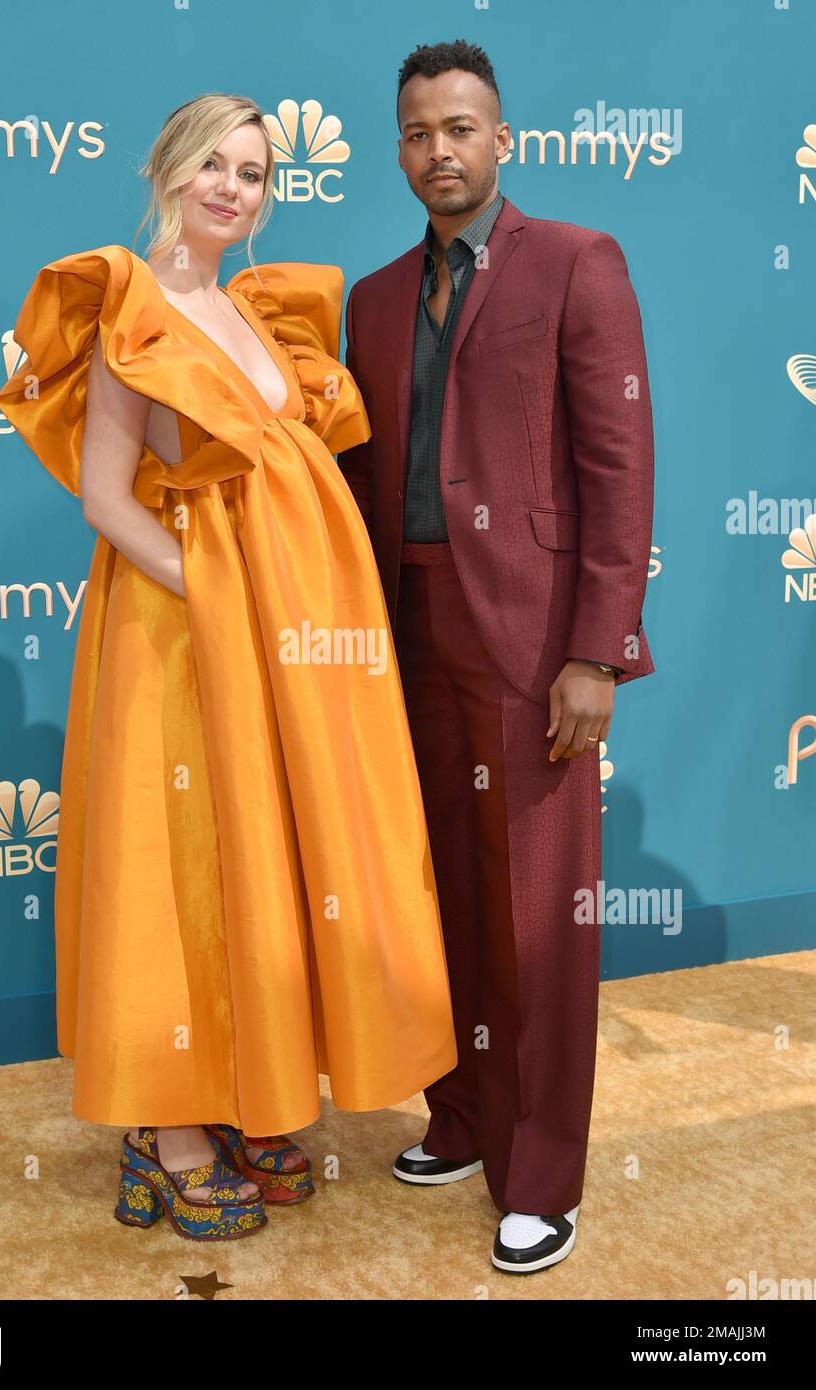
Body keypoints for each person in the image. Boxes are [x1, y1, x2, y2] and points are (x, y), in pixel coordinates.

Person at [0, 92, 457, 1244]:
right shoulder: (132, 310)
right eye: (213, 165)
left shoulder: (254, 308)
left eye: (252, 173)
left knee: (260, 854)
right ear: (168, 169)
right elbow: (107, 498)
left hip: (283, 637)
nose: (232, 189)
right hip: (181, 630)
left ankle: (243, 1094)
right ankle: (169, 1129)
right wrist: (217, 595)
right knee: (182, 862)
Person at [338, 41, 655, 1272]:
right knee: (447, 900)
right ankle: (462, 1117)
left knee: (537, 918)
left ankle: (540, 1173)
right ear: (398, 149)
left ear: (503, 138)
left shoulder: (576, 261)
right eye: (420, 133)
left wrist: (598, 652)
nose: (441, 151)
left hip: (532, 640)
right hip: (406, 632)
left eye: (461, 128)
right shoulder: (373, 299)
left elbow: (619, 467)